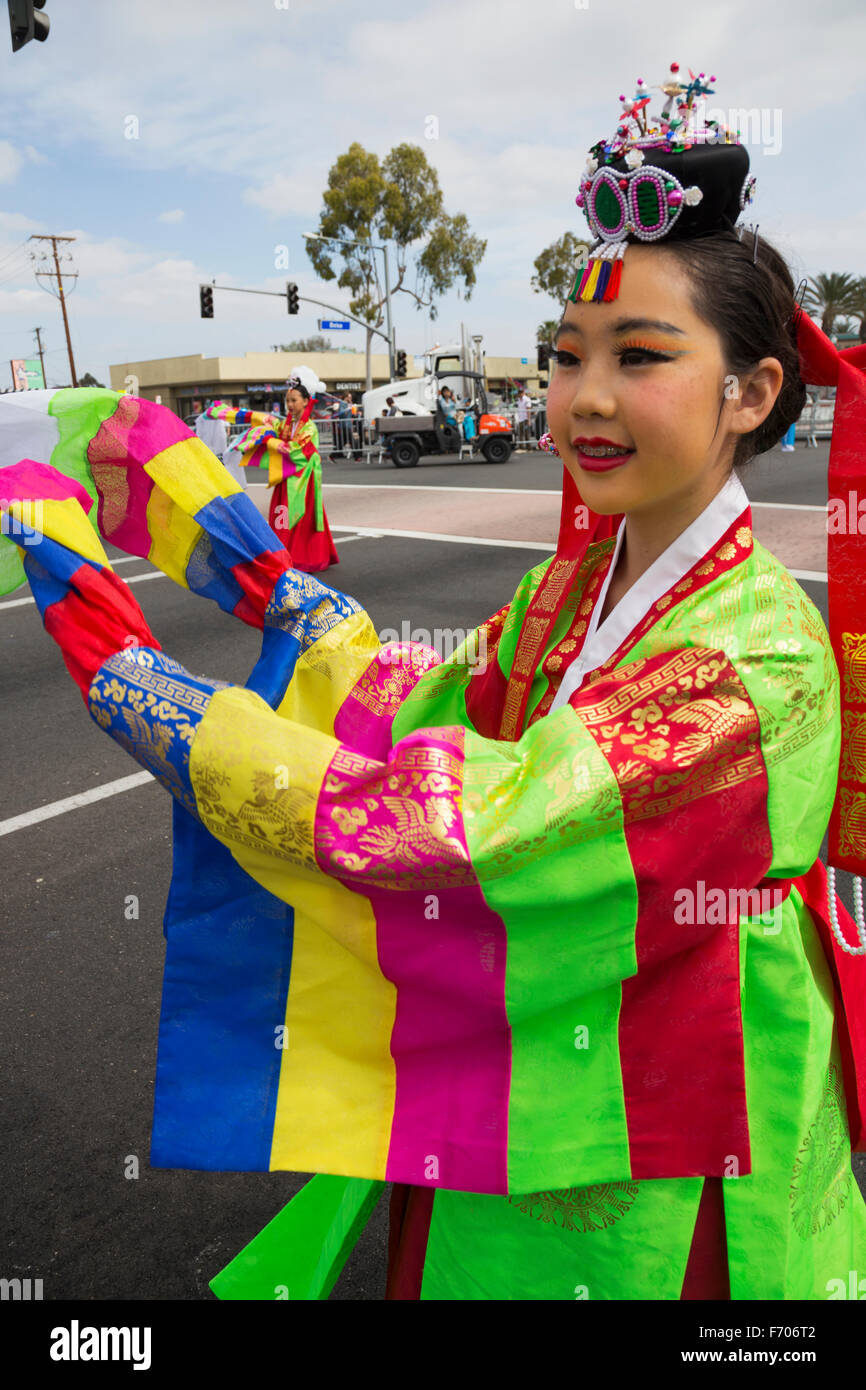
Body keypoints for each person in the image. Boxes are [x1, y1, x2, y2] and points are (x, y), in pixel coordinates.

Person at [2, 62, 866, 1303]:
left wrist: (152, 690)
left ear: (751, 391)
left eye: (640, 355)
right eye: (565, 357)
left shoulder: (762, 660)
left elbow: (481, 833)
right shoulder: (567, 592)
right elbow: (411, 699)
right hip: (545, 1089)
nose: (586, 399)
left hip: (678, 1133)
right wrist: (253, 574)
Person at [205, 366, 338, 572]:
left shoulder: (309, 428)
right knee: (281, 516)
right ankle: (282, 554)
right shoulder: (286, 424)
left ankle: (302, 557)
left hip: (302, 481)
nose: (290, 405)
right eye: (288, 401)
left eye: (294, 400)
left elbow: (296, 451)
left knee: (300, 519)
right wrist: (222, 413)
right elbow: (258, 418)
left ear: (306, 401)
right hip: (286, 478)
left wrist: (270, 442)